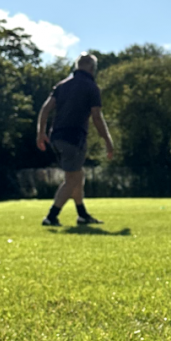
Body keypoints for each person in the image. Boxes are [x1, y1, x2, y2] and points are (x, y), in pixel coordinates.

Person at [36, 53, 113, 227]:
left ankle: (82, 214)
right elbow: (97, 117)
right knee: (72, 179)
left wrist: (40, 134)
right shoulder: (91, 87)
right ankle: (51, 216)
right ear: (92, 69)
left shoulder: (62, 85)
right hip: (74, 138)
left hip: (56, 137)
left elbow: (45, 109)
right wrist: (108, 140)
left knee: (77, 175)